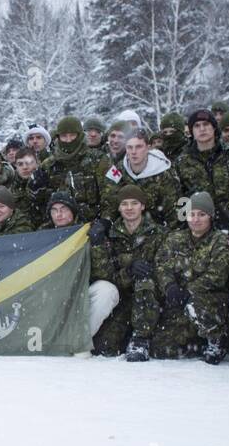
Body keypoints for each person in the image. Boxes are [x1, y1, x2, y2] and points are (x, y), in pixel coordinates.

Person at [152, 191, 229, 364]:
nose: (196, 219)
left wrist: (189, 290)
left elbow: (217, 275)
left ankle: (216, 339)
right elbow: (161, 265)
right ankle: (195, 340)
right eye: (192, 214)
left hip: (208, 300)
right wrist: (170, 287)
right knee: (161, 349)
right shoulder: (175, 238)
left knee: (197, 304)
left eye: (201, 215)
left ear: (210, 216)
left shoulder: (221, 240)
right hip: (178, 299)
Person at [94, 185, 165, 360]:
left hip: (149, 298)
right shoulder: (109, 234)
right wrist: (129, 270)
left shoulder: (158, 233)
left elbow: (164, 269)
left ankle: (140, 340)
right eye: (124, 204)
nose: (129, 208)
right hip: (121, 297)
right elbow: (104, 273)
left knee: (145, 280)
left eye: (134, 203)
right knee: (105, 347)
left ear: (143, 206)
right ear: (118, 207)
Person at [44, 192, 120, 342]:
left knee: (107, 290)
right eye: (54, 210)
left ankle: (78, 341)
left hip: (81, 290)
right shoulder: (43, 235)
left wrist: (97, 245)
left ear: (73, 211)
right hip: (51, 293)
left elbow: (105, 273)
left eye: (64, 209)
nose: (59, 214)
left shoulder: (88, 232)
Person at [174, 109, 229, 236]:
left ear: (214, 128)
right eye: (197, 126)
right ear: (191, 131)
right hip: (198, 229)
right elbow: (179, 200)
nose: (202, 129)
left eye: (206, 124)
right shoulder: (182, 162)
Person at [97, 128, 182, 225]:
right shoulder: (118, 170)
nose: (133, 152)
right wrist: (106, 222)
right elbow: (109, 201)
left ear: (148, 148)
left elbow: (173, 211)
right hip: (125, 226)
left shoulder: (163, 172)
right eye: (129, 147)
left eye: (138, 147)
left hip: (157, 228)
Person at [42, 116, 101, 222]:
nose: (68, 140)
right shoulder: (49, 165)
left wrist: (104, 221)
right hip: (60, 227)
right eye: (64, 136)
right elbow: (39, 199)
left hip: (92, 223)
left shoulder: (97, 160)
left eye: (72, 135)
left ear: (79, 135)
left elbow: (110, 195)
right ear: (58, 137)